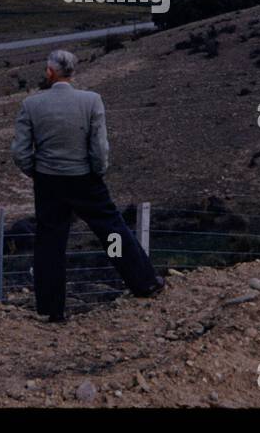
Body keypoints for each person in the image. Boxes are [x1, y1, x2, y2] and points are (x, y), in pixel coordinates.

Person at [10, 49, 163, 322]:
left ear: (49, 72)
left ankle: (51, 310)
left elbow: (20, 152)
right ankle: (145, 283)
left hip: (48, 182)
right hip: (85, 179)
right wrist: (97, 172)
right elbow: (100, 148)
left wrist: (36, 172)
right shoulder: (92, 101)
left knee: (50, 242)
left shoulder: (31, 105)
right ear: (73, 72)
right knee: (112, 230)